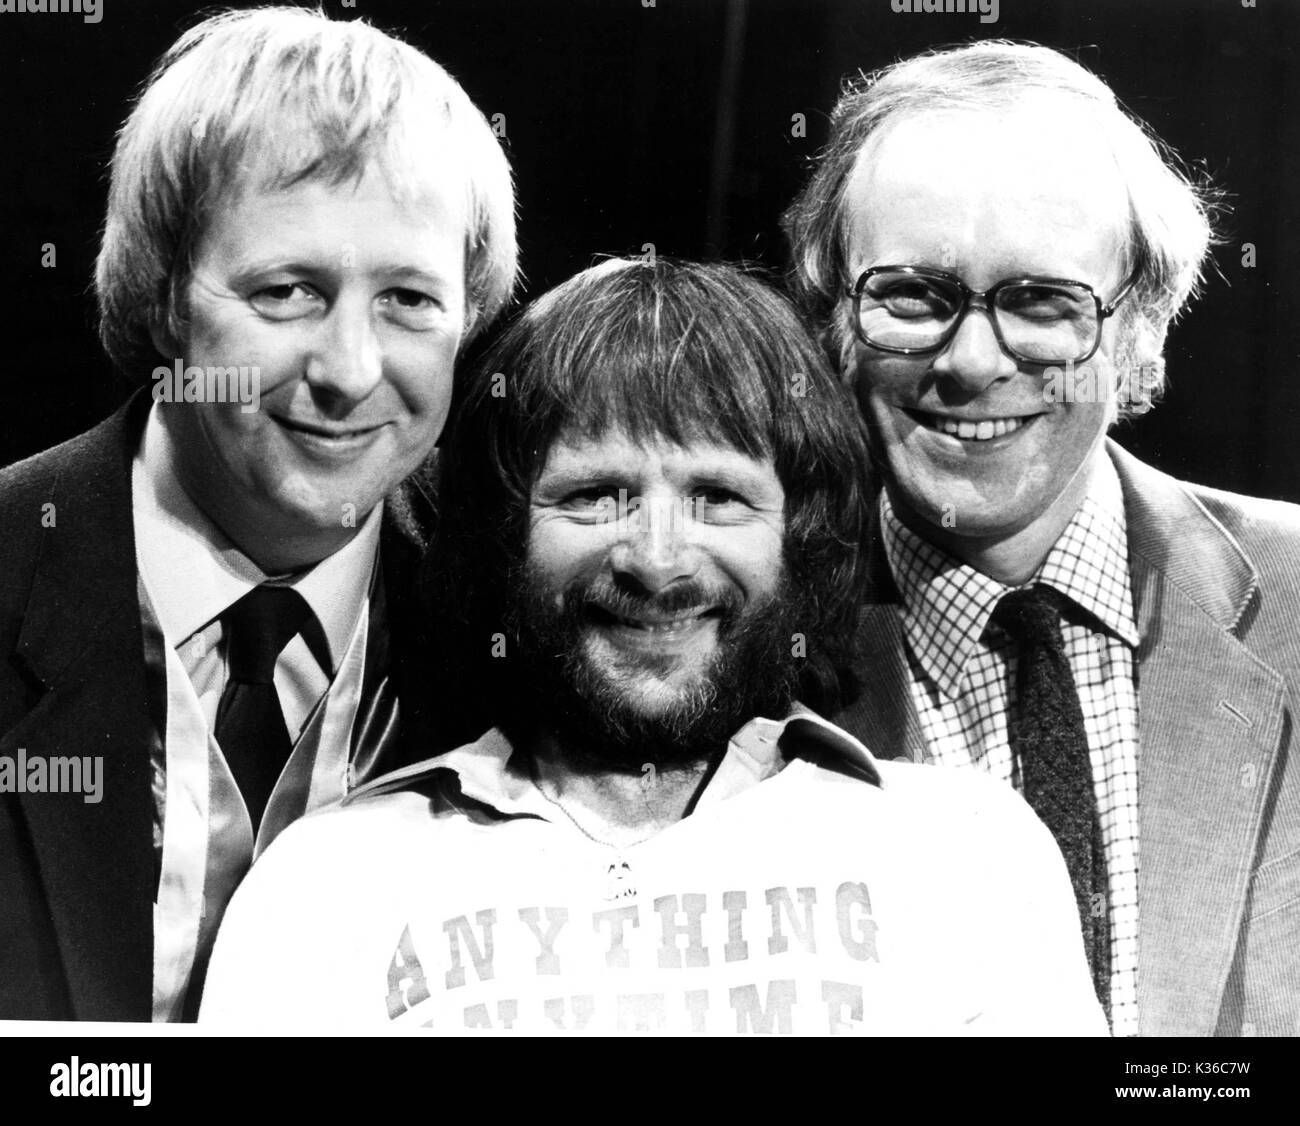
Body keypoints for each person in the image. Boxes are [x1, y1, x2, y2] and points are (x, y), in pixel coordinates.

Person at [199, 258, 1105, 1035]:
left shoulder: (967, 852)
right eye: (595, 495)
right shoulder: (325, 885)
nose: (659, 561)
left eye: (718, 496)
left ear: (802, 538)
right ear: (502, 538)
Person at [0, 6, 516, 1022]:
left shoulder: (520, 609)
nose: (350, 371)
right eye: (287, 292)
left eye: (409, 300)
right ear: (161, 301)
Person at [782, 40, 1300, 1037]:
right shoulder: (742, 653)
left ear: (1141, 330)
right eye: (911, 295)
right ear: (837, 322)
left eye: (1040, 302)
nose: (971, 361)